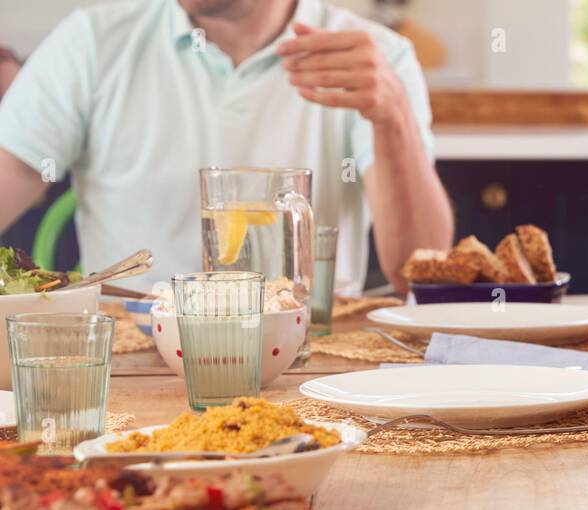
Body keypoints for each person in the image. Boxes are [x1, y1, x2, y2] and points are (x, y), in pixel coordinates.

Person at [0, 0, 453, 293]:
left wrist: (391, 115)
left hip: (314, 364)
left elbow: (417, 271)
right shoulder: (91, 44)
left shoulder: (379, 59)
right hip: (130, 364)